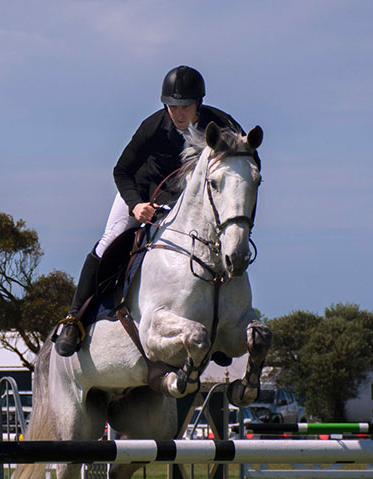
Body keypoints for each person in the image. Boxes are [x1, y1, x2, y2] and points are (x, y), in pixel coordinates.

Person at [53, 65, 242, 356]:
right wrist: (136, 205)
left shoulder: (221, 125)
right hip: (141, 192)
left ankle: (217, 324)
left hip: (185, 201)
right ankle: (74, 318)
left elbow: (246, 157)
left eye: (185, 106)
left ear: (199, 105)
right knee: (111, 240)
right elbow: (121, 170)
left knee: (216, 245)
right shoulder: (152, 127)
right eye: (172, 106)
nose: (178, 113)